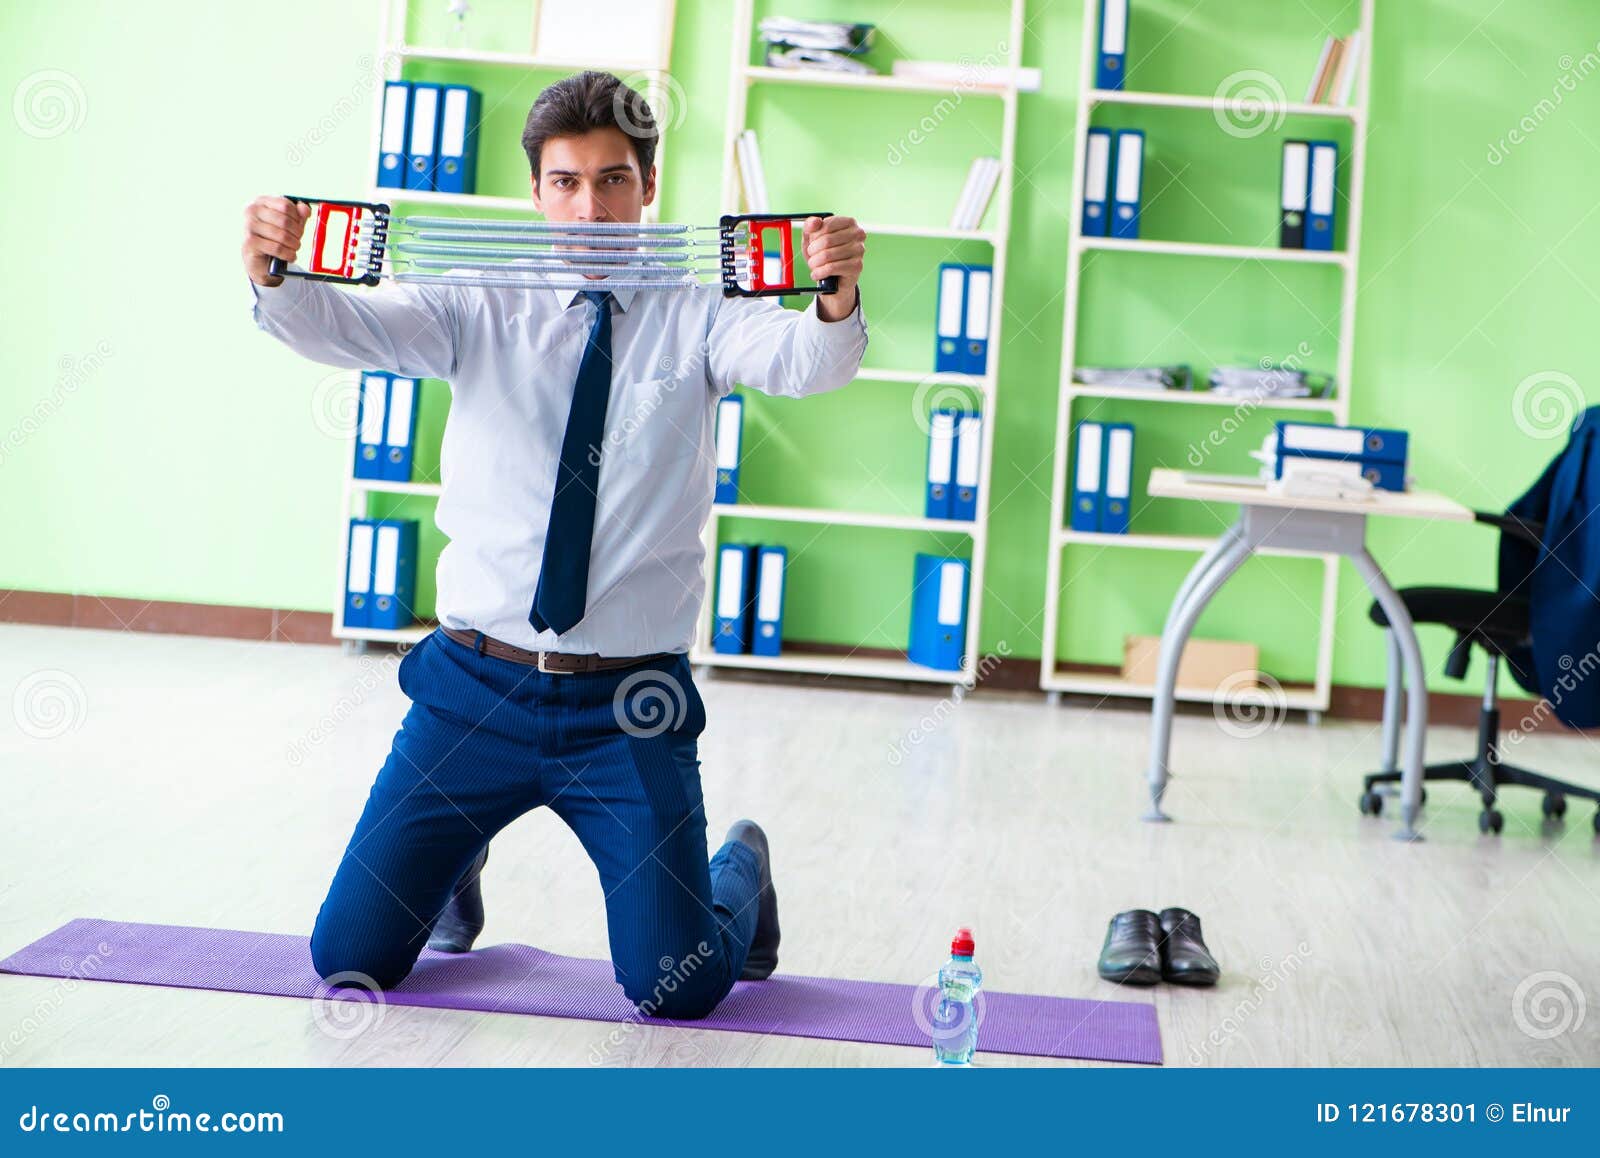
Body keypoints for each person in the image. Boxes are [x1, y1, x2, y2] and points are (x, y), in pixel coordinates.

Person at [242, 70, 868, 1018]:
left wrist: (831, 299)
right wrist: (275, 272)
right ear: (536, 191)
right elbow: (349, 327)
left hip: (629, 704)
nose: (591, 207)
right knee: (349, 958)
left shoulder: (698, 304)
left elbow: (799, 361)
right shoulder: (477, 295)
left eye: (613, 180)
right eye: (567, 183)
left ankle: (739, 864)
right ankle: (455, 855)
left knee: (681, 989)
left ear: (648, 186)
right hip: (473, 688)